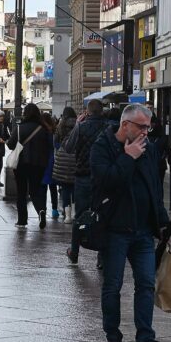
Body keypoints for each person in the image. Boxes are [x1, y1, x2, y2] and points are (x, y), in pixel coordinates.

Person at [91, 104, 171, 342]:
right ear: (125, 124)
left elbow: (154, 187)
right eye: (141, 127)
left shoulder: (147, 149)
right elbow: (106, 182)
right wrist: (128, 157)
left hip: (143, 230)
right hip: (115, 229)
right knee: (113, 286)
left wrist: (161, 222)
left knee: (146, 285)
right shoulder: (102, 147)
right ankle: (113, 339)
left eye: (148, 127)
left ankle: (145, 340)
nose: (146, 132)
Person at [64, 99, 109, 264]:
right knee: (103, 215)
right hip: (103, 178)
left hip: (83, 176)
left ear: (87, 112)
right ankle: (102, 257)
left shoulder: (81, 127)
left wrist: (77, 124)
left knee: (81, 214)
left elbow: (68, 147)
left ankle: (74, 251)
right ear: (102, 111)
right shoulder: (108, 128)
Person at [6, 103, 54, 229]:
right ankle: (41, 211)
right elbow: (50, 147)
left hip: (21, 163)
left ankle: (22, 221)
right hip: (39, 164)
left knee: (21, 192)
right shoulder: (43, 128)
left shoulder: (19, 128)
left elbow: (10, 145)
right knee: (35, 190)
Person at [52, 107, 78, 223]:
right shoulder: (78, 125)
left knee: (65, 188)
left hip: (62, 159)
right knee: (75, 187)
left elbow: (55, 143)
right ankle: (74, 213)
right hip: (75, 159)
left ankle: (67, 216)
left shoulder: (60, 126)